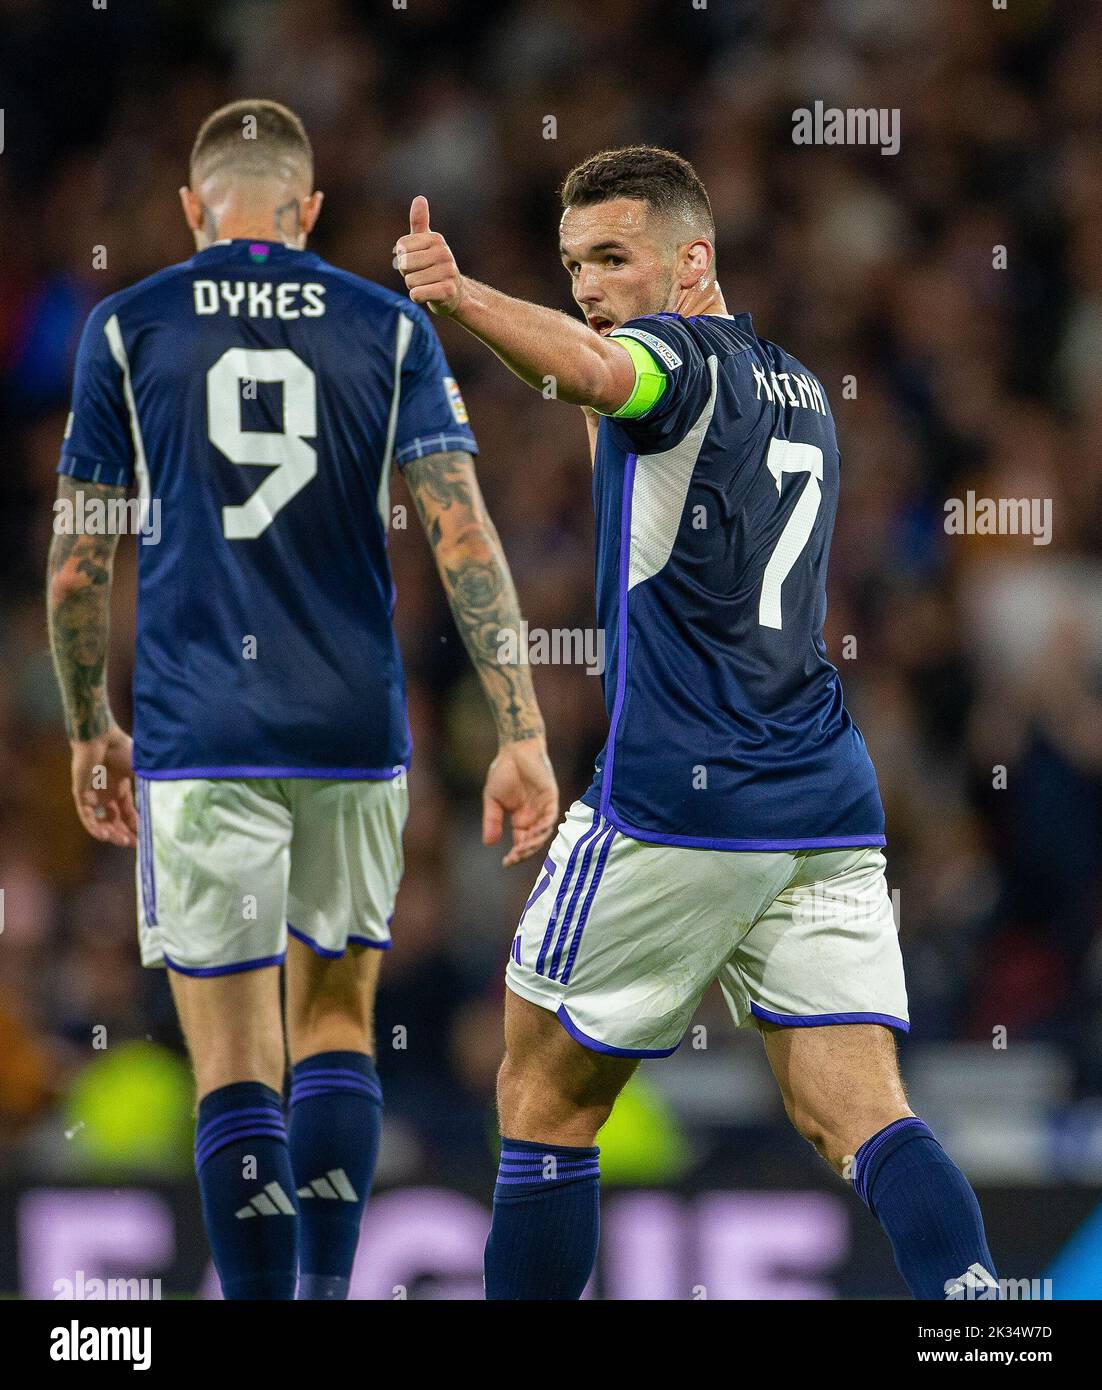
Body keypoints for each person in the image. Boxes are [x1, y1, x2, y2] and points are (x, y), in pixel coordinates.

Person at [394, 144, 998, 1301]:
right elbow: (604, 410)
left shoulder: (676, 356)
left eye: (614, 257)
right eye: (574, 263)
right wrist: (577, 377)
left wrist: (461, 296)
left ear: (691, 262)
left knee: (540, 1097)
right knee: (860, 1115)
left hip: (681, 797)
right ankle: (980, 1324)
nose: (588, 285)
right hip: (822, 798)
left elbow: (594, 365)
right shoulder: (800, 386)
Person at [46, 98, 557, 1300]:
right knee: (335, 1023)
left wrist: (87, 726)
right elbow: (461, 534)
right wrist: (521, 731)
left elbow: (81, 557)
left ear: (192, 209)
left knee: (233, 1056)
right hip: (351, 721)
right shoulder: (387, 327)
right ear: (311, 210)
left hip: (199, 724)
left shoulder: (129, 327)